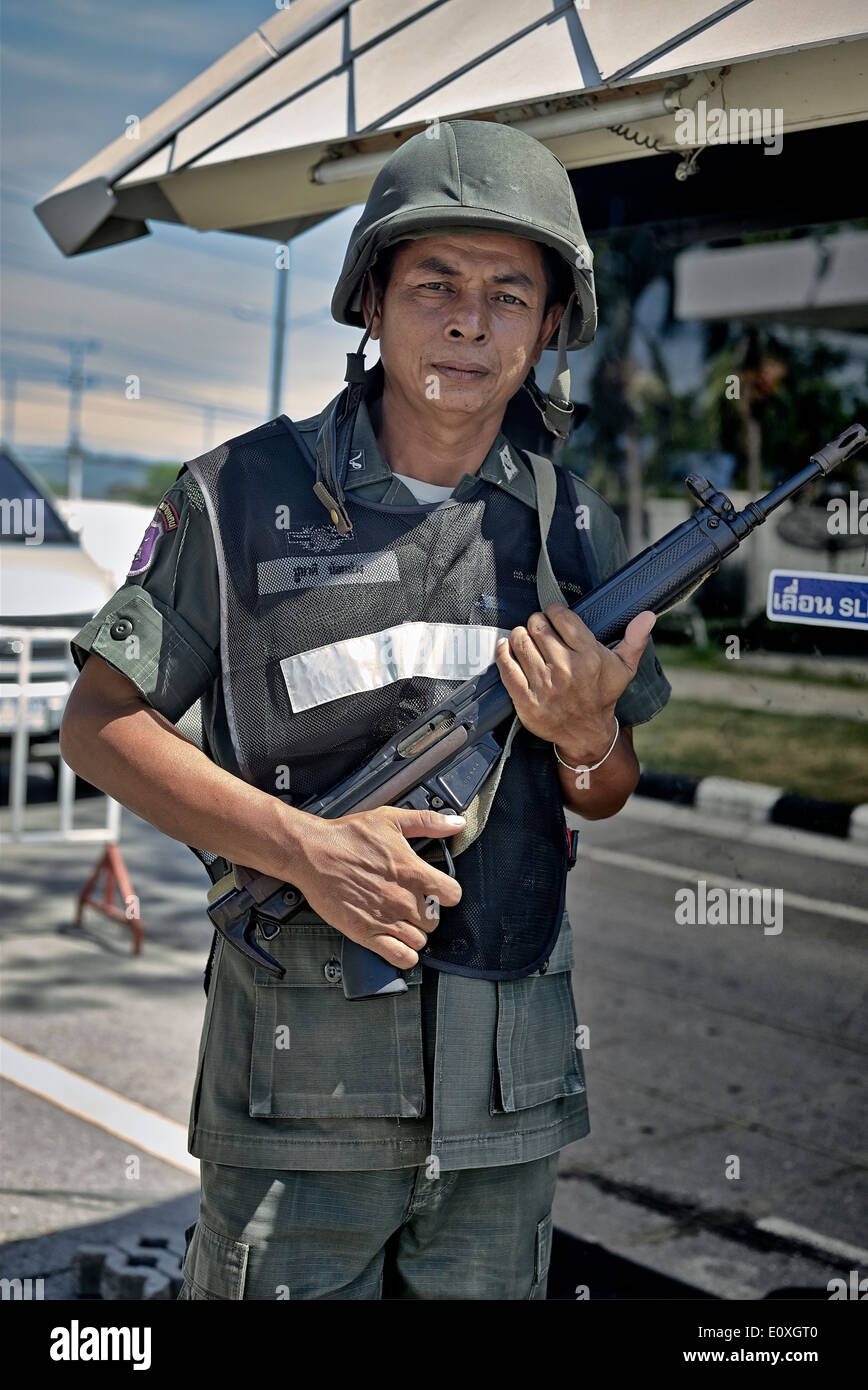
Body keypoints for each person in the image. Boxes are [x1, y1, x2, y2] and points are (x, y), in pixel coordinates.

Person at [60, 119, 671, 1300]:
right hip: (298, 1102)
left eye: (507, 293)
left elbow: (608, 786)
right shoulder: (236, 495)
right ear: (371, 303)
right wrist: (307, 851)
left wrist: (590, 738)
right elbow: (99, 723)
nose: (467, 320)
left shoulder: (577, 527)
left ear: (549, 328)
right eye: (434, 283)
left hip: (505, 1103)